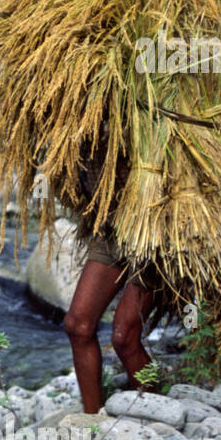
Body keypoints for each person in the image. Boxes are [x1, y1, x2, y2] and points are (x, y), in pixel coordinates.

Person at [61, 135, 158, 415]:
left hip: (159, 230)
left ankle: (155, 411)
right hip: (113, 228)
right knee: (77, 325)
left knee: (124, 335)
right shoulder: (75, 117)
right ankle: (93, 419)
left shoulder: (142, 108)